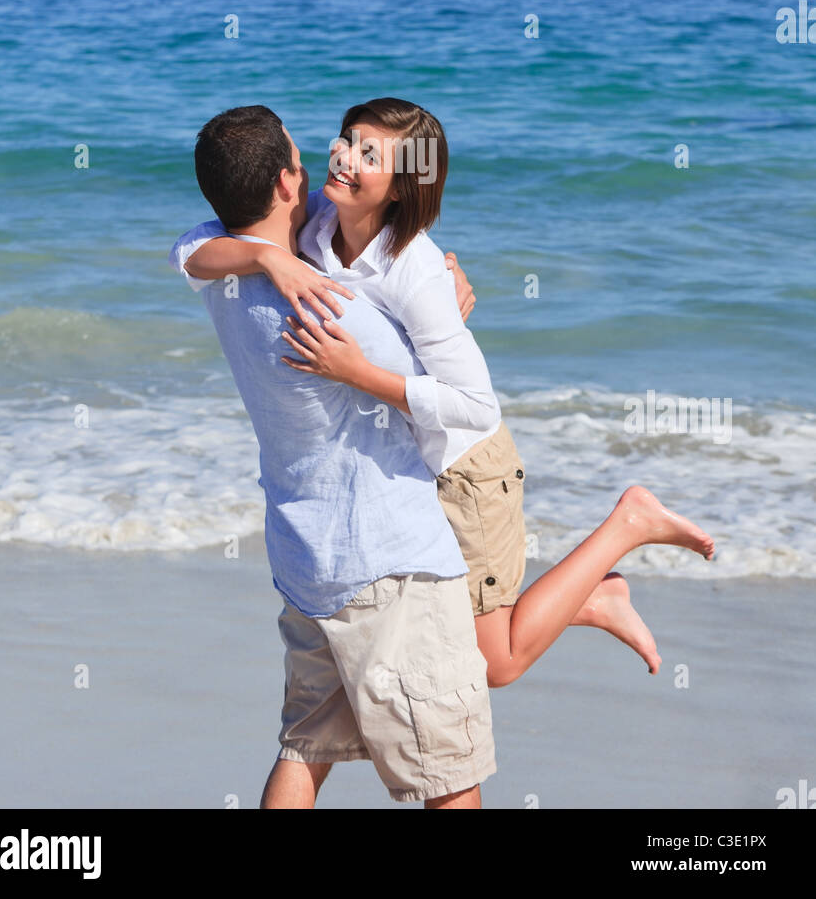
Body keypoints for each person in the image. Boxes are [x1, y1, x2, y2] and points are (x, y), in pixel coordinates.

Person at [179, 98, 715, 692]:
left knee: (497, 665)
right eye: (346, 138)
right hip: (419, 469)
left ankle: (628, 525)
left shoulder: (415, 269)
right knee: (457, 641)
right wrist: (265, 256)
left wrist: (359, 373)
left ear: (402, 188)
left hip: (468, 468)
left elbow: (477, 405)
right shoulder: (317, 224)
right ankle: (592, 600)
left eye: (368, 154)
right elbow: (191, 249)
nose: (342, 155)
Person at [170, 105, 496, 810]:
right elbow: (465, 399)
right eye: (312, 152)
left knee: (304, 748)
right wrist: (444, 295)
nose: (333, 158)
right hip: (391, 567)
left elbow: (186, 248)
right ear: (290, 183)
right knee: (447, 780)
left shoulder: (224, 279)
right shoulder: (336, 312)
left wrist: (262, 252)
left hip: (305, 561)